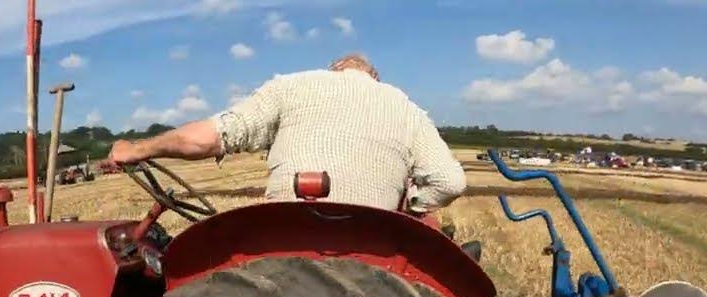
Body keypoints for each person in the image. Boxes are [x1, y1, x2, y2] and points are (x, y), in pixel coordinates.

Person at [105, 54, 466, 215]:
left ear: (334, 70)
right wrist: (413, 208)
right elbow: (450, 181)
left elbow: (207, 138)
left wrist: (137, 149)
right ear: (374, 77)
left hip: (286, 234)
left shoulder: (295, 86)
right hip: (373, 242)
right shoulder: (402, 104)